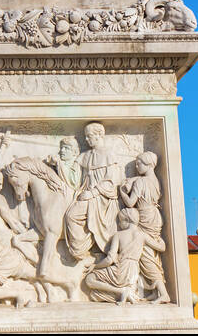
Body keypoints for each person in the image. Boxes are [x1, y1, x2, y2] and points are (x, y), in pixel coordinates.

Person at [64, 122, 125, 259]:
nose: (86, 139)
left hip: (102, 198)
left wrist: (92, 193)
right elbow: (73, 178)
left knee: (72, 215)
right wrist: (60, 165)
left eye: (89, 136)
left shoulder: (109, 155)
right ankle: (79, 251)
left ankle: (82, 252)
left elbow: (111, 182)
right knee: (70, 215)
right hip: (86, 194)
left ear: (99, 135)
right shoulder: (84, 156)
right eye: (85, 136)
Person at [82, 208, 166, 304]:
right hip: (133, 272)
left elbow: (109, 259)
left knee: (89, 279)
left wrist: (94, 266)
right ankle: (125, 291)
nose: (119, 225)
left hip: (120, 269)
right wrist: (160, 239)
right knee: (96, 294)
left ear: (127, 220)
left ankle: (121, 291)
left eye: (120, 221)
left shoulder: (118, 235)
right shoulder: (142, 235)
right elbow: (161, 248)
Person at [119, 151, 170, 303]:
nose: (136, 166)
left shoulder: (141, 182)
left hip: (144, 217)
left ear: (148, 164)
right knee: (151, 255)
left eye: (139, 163)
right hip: (154, 216)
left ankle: (163, 293)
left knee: (146, 256)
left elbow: (129, 203)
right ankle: (154, 290)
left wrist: (121, 192)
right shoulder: (155, 181)